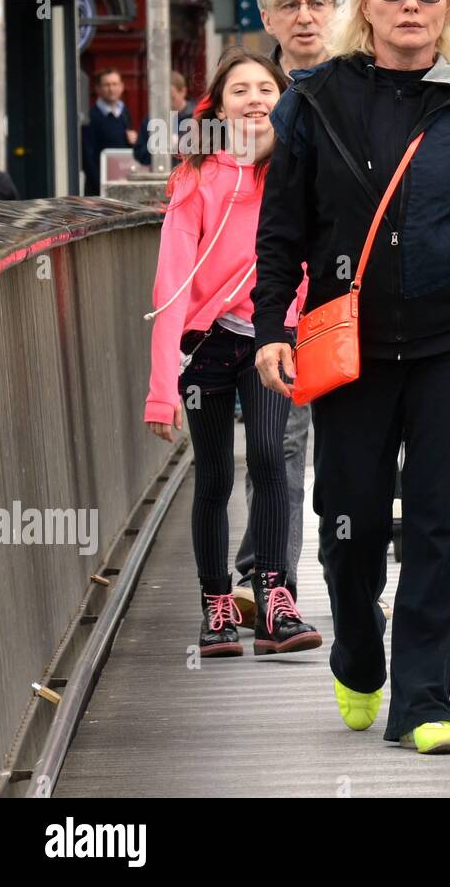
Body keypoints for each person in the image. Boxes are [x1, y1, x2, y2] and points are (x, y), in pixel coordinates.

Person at [251, 0, 450, 755]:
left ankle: (424, 701)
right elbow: (283, 227)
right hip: (350, 344)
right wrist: (270, 326)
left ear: (449, 7)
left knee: (443, 518)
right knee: (351, 518)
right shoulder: (317, 97)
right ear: (363, 4)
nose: (410, 5)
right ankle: (358, 649)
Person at [143, 47, 321, 659]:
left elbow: (309, 265)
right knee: (215, 475)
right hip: (206, 347)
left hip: (271, 338)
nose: (255, 100)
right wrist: (161, 388)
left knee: (272, 455)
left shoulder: (298, 171)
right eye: (239, 91)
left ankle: (273, 597)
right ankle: (216, 604)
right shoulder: (196, 177)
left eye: (267, 90)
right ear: (217, 106)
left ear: (284, 101)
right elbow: (170, 284)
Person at [225, 0, 347, 625]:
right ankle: (273, 583)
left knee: (342, 455)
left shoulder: (360, 88)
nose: (305, 18)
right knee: (281, 445)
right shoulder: (252, 93)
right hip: (277, 307)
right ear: (267, 18)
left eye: (317, 4)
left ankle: (345, 589)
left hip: (352, 298)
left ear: (339, 9)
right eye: (289, 6)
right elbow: (209, 166)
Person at [83, 69, 136, 194]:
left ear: (122, 86)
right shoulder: (90, 117)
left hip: (122, 183)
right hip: (100, 188)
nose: (111, 89)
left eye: (115, 84)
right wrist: (101, 188)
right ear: (98, 89)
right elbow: (88, 158)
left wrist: (134, 140)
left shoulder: (124, 112)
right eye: (107, 85)